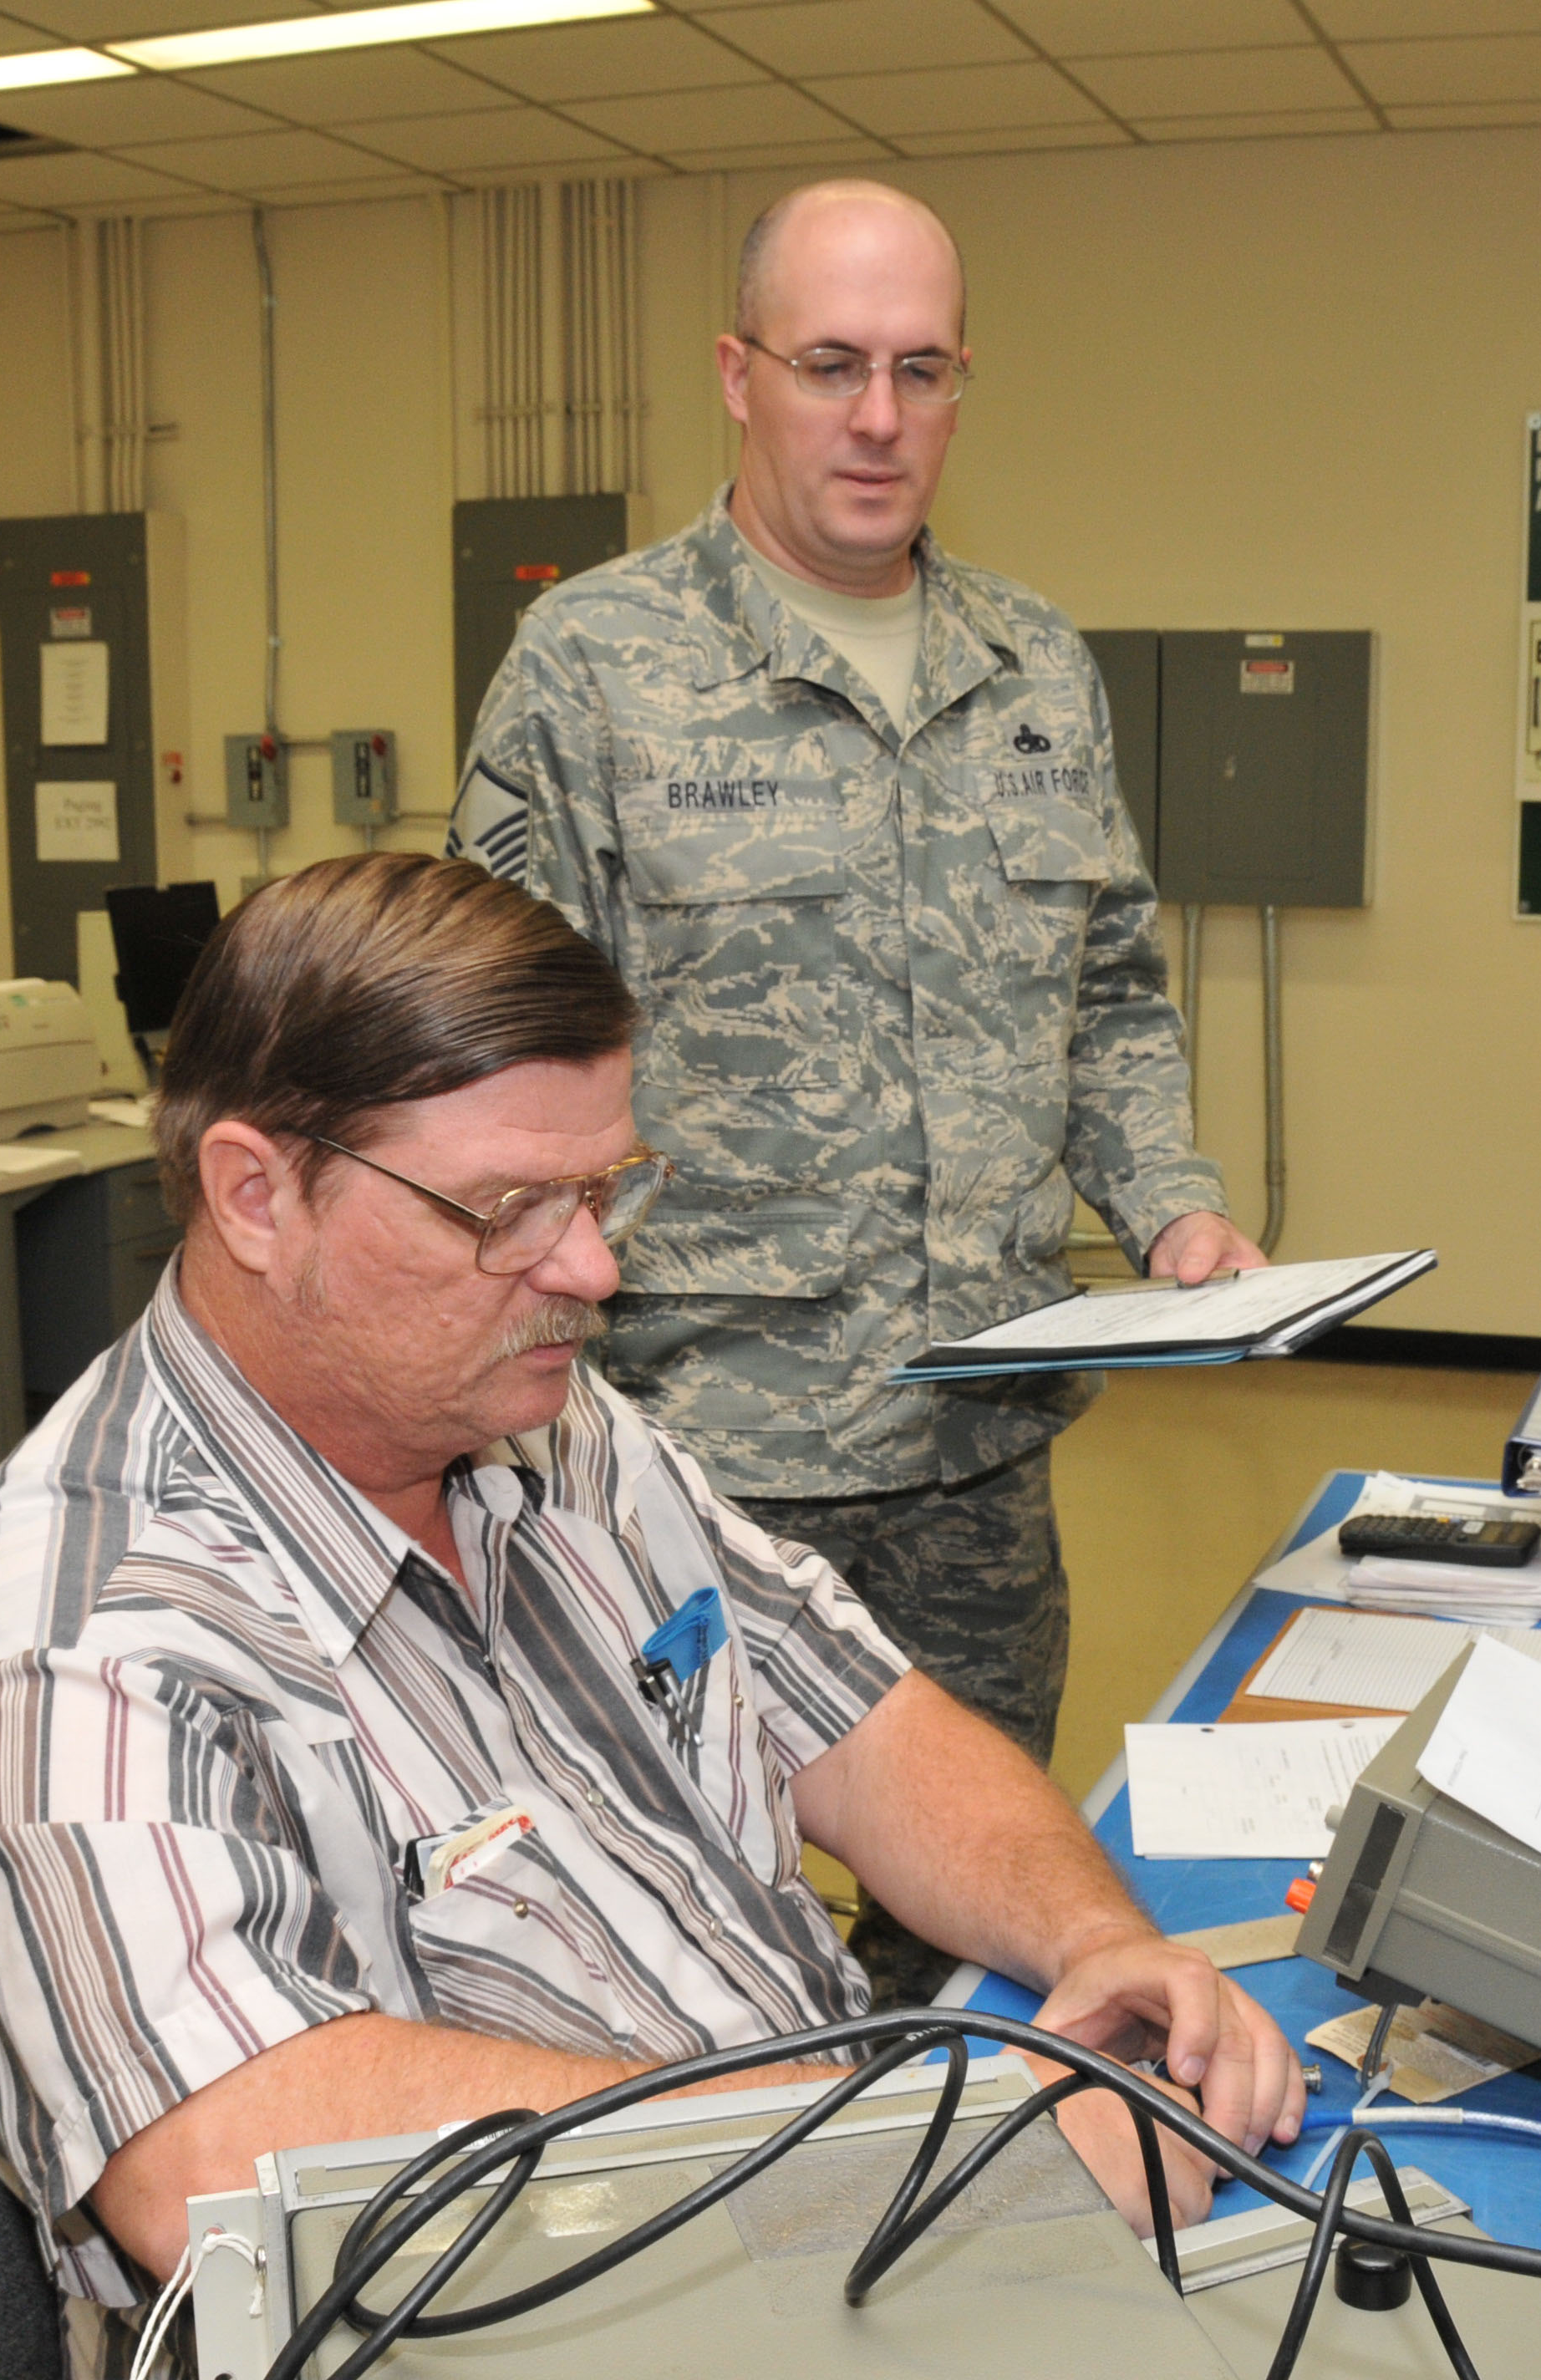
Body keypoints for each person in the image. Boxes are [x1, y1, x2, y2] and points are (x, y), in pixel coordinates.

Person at [0, 854, 1301, 2367]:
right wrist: (921, 2169)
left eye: (605, 1189)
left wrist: (1090, 1940)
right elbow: (219, 2165)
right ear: (255, 1193)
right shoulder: (82, 1640)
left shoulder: (545, 1418)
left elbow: (861, 1722)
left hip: (804, 2220)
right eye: (509, 1209)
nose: (594, 1268)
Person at [450, 182, 1260, 1991]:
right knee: (682, 1950)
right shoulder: (591, 666)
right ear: (737, 376)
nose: (876, 416)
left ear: (963, 383)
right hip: (690, 1456)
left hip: (980, 1451)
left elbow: (1112, 991)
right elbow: (487, 1070)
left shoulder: (1036, 664)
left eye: (917, 369)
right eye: (829, 366)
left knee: (966, 1934)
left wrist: (1174, 1201)